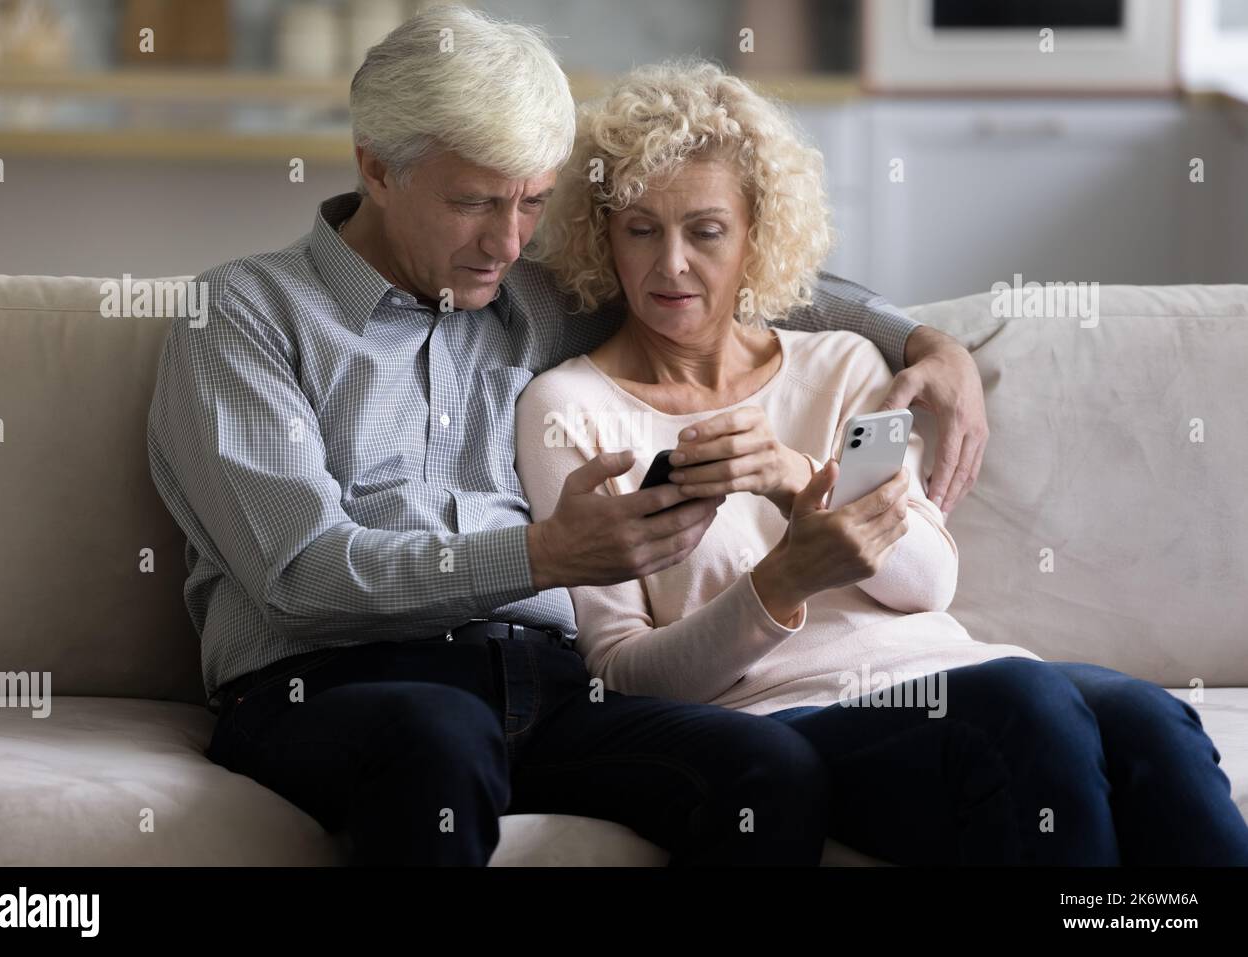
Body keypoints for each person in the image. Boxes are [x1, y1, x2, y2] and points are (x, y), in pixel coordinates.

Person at [149, 7, 989, 866]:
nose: (508, 242)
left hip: (545, 689)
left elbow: (717, 268)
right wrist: (543, 556)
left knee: (767, 768)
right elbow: (298, 574)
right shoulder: (244, 315)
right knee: (437, 737)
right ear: (377, 168)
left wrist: (927, 342)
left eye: (533, 205)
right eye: (475, 203)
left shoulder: (530, 294)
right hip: (330, 686)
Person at [517, 58, 1248, 865]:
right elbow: (623, 675)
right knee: (1027, 706)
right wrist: (782, 581)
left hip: (961, 670)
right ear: (603, 233)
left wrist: (802, 484)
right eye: (641, 229)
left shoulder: (841, 363)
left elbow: (930, 582)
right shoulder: (568, 409)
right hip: (788, 717)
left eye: (707, 231)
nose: (672, 266)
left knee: (1152, 722)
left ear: (755, 233)